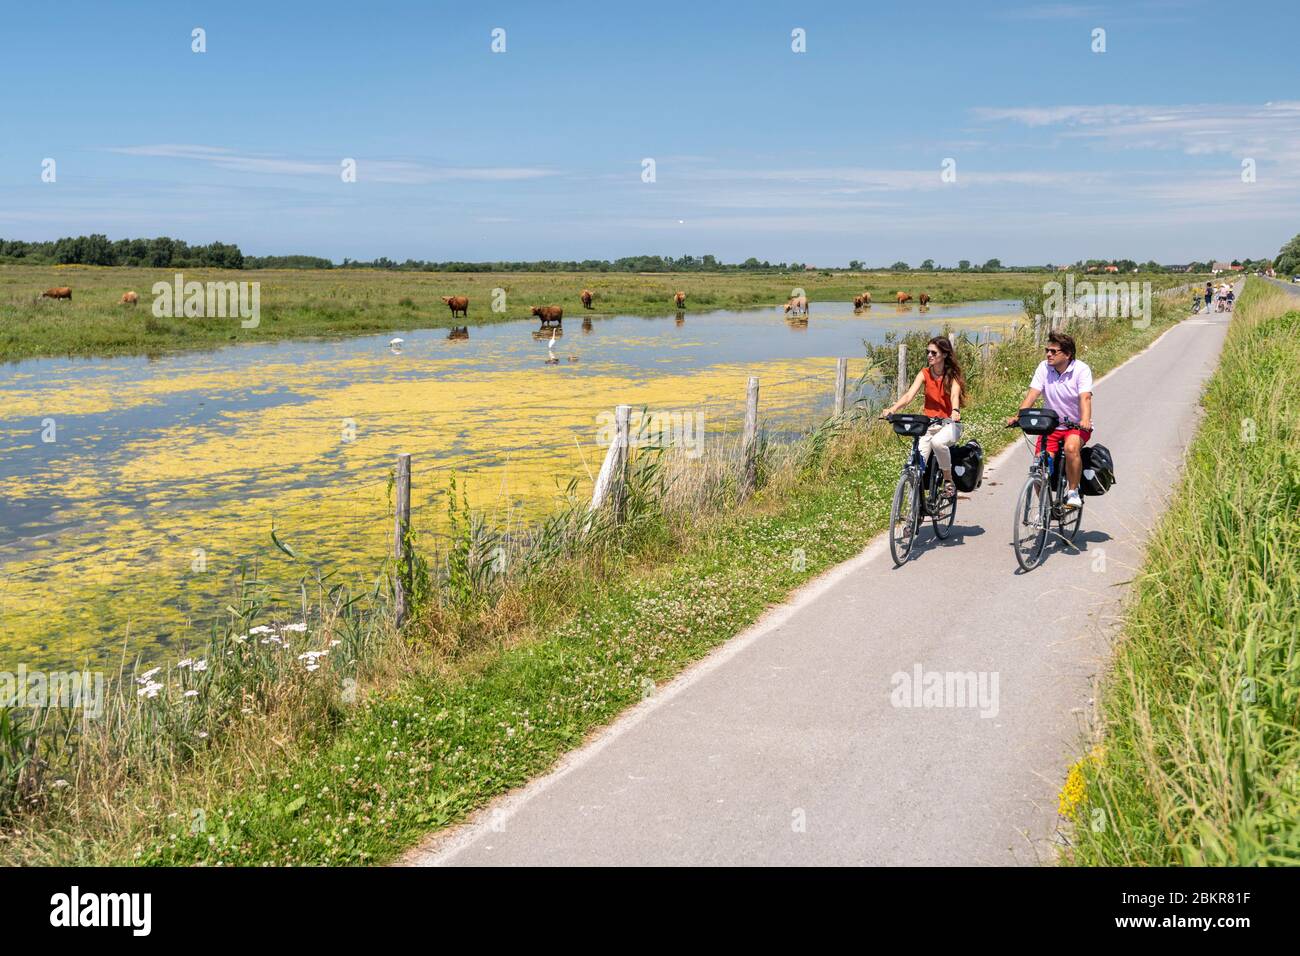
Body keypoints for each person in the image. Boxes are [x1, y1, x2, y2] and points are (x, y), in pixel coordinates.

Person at [1006, 331, 1093, 511]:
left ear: (1067, 354)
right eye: (1047, 350)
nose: (1048, 354)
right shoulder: (1044, 368)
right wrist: (1020, 416)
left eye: (1054, 351)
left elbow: (1085, 397)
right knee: (1039, 465)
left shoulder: (1081, 370)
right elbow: (1033, 393)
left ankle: (1073, 492)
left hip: (1075, 426)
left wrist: (1085, 419)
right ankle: (1046, 507)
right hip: (1050, 426)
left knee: (1070, 448)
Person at [880, 335, 967, 497]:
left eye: (934, 353)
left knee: (938, 442)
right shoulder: (924, 373)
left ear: (945, 355)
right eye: (928, 352)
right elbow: (908, 396)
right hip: (929, 425)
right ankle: (914, 507)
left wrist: (955, 411)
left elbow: (954, 396)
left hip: (949, 424)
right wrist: (892, 409)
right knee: (916, 464)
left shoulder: (952, 377)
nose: (929, 356)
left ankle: (948, 480)